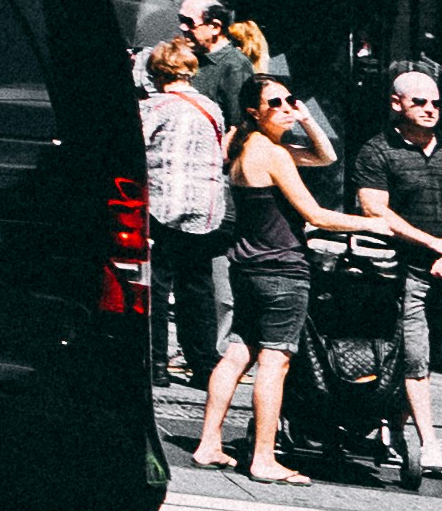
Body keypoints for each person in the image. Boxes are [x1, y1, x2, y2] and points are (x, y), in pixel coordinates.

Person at [202, 73, 341, 482]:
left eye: (289, 101)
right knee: (275, 362)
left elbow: (325, 157)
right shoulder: (274, 154)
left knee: (237, 352)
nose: (285, 109)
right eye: (275, 104)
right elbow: (316, 215)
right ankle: (264, 458)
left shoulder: (248, 148)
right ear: (253, 112)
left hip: (247, 265)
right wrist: (379, 225)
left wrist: (306, 119)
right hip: (282, 268)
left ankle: (209, 442)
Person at [354, 64, 442, 475]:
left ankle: (392, 428)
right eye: (420, 102)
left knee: (435, 360)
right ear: (397, 104)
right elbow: (375, 209)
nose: (431, 109)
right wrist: (434, 246)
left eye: (435, 103)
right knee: (414, 362)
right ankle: (428, 443)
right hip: (403, 273)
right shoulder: (378, 151)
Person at [140, 27, 234, 390]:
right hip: (206, 208)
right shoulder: (212, 108)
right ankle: (205, 365)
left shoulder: (154, 107)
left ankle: (157, 364)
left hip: (163, 204)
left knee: (157, 285)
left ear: (158, 72)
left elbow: (137, 148)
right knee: (197, 286)